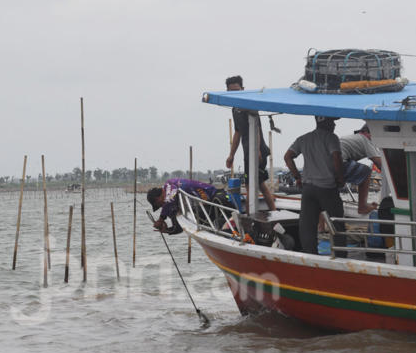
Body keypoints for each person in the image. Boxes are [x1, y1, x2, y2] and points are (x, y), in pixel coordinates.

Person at [283, 116, 347, 256]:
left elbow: (287, 157)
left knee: (307, 225)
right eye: (332, 121)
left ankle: (310, 254)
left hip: (308, 188)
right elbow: (336, 157)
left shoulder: (304, 138)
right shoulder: (331, 138)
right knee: (337, 222)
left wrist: (297, 177)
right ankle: (341, 255)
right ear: (326, 122)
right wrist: (340, 178)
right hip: (327, 187)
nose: (334, 124)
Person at [224, 75, 276, 211]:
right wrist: (231, 155)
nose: (234, 94)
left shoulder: (249, 106)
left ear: (243, 89)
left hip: (257, 152)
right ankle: (274, 212)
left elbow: (257, 128)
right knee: (260, 185)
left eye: (237, 90)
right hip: (248, 152)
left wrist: (257, 150)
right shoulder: (235, 109)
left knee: (250, 186)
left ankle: (249, 218)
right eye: (231, 92)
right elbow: (237, 132)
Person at [147, 178, 222, 234]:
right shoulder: (170, 202)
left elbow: (169, 200)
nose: (161, 207)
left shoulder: (169, 185)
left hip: (214, 196)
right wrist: (165, 230)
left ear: (157, 199)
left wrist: (161, 219)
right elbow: (178, 228)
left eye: (159, 205)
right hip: (207, 205)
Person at [340, 123, 382, 214]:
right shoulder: (365, 140)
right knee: (366, 171)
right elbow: (379, 163)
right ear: (367, 133)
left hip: (326, 164)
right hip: (339, 163)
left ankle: (321, 224)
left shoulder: (353, 138)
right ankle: (362, 207)